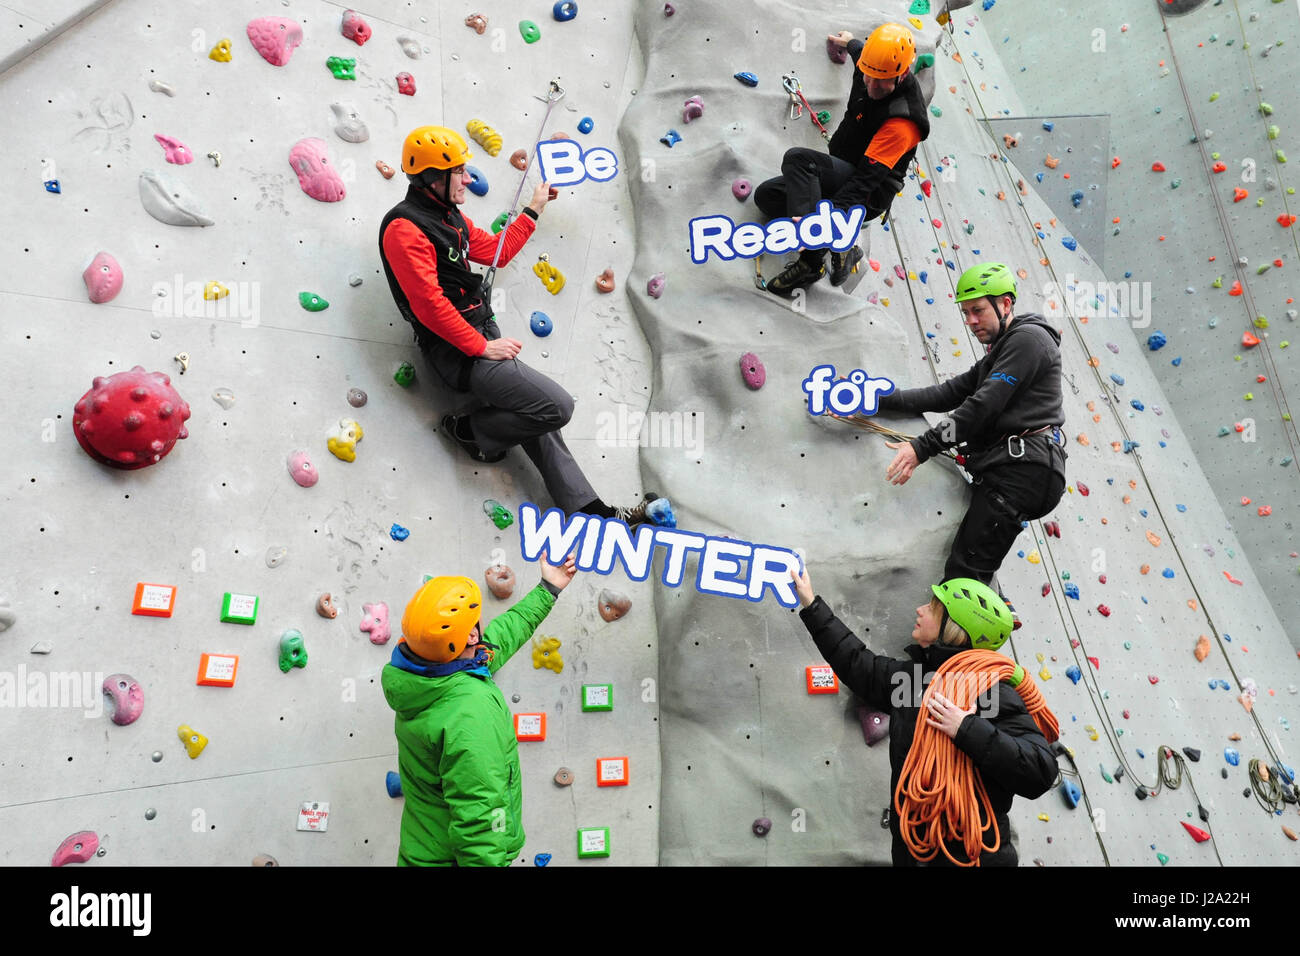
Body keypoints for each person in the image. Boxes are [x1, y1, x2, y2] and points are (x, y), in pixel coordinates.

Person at [379, 125, 670, 525]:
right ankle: (469, 431)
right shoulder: (404, 229)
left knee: (538, 415)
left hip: (480, 335)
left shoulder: (447, 217)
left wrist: (533, 209)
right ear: (433, 178)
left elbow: (494, 252)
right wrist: (481, 348)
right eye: (458, 172)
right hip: (457, 352)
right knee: (557, 406)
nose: (467, 178)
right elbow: (428, 307)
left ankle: (591, 512)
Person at [792, 569, 1059, 866]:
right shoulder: (914, 681)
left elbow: (1040, 771)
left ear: (954, 627)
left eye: (932, 608)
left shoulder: (991, 692)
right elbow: (858, 665)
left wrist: (966, 728)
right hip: (914, 855)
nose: (920, 610)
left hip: (975, 859)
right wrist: (812, 605)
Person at [877, 262, 1067, 587]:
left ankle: (968, 631)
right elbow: (949, 393)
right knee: (969, 569)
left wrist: (921, 448)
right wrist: (880, 399)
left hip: (1023, 472)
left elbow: (983, 406)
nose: (971, 322)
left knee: (964, 575)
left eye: (977, 310)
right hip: (1017, 469)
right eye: (966, 314)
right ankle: (991, 609)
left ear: (1005, 303)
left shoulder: (1029, 341)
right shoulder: (1005, 349)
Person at [382, 554, 577, 866]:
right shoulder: (469, 708)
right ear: (471, 636)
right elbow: (480, 810)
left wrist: (548, 589)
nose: (482, 630)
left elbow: (502, 635)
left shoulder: (420, 676)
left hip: (423, 852)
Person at [754, 22, 932, 296]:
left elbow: (863, 183)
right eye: (867, 75)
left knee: (799, 160)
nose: (870, 85)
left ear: (902, 74)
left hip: (869, 191)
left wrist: (816, 225)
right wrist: (848, 42)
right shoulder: (870, 65)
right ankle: (843, 244)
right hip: (842, 170)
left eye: (880, 80)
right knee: (767, 197)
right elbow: (860, 51)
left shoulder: (902, 121)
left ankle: (812, 264)